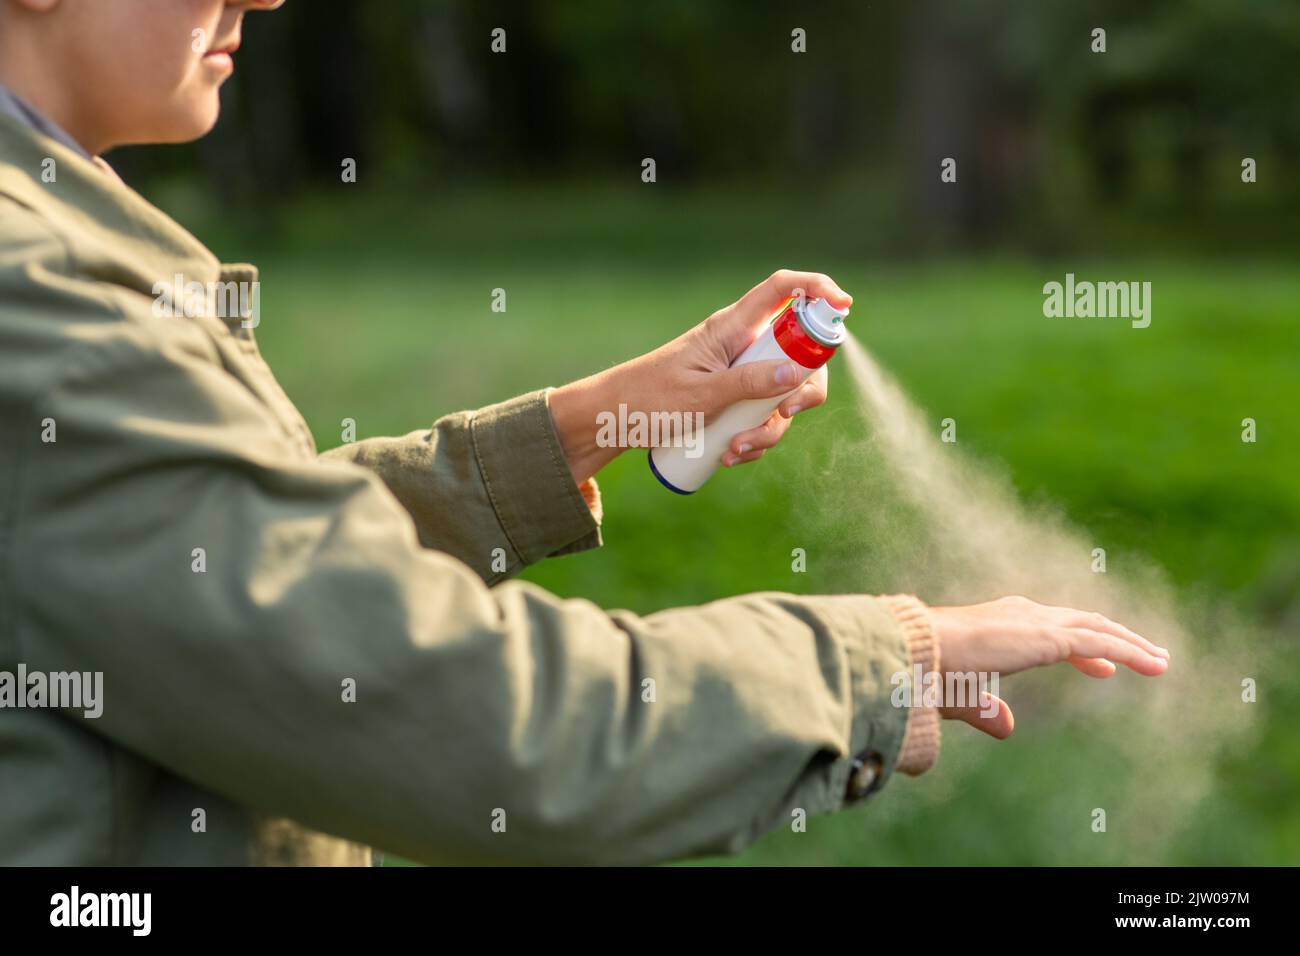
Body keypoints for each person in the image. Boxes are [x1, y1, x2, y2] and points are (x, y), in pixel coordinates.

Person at [0, 0, 1169, 866]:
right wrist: (874, 662)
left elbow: (226, 563)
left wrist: (604, 418)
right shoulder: (41, 294)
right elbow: (444, 709)